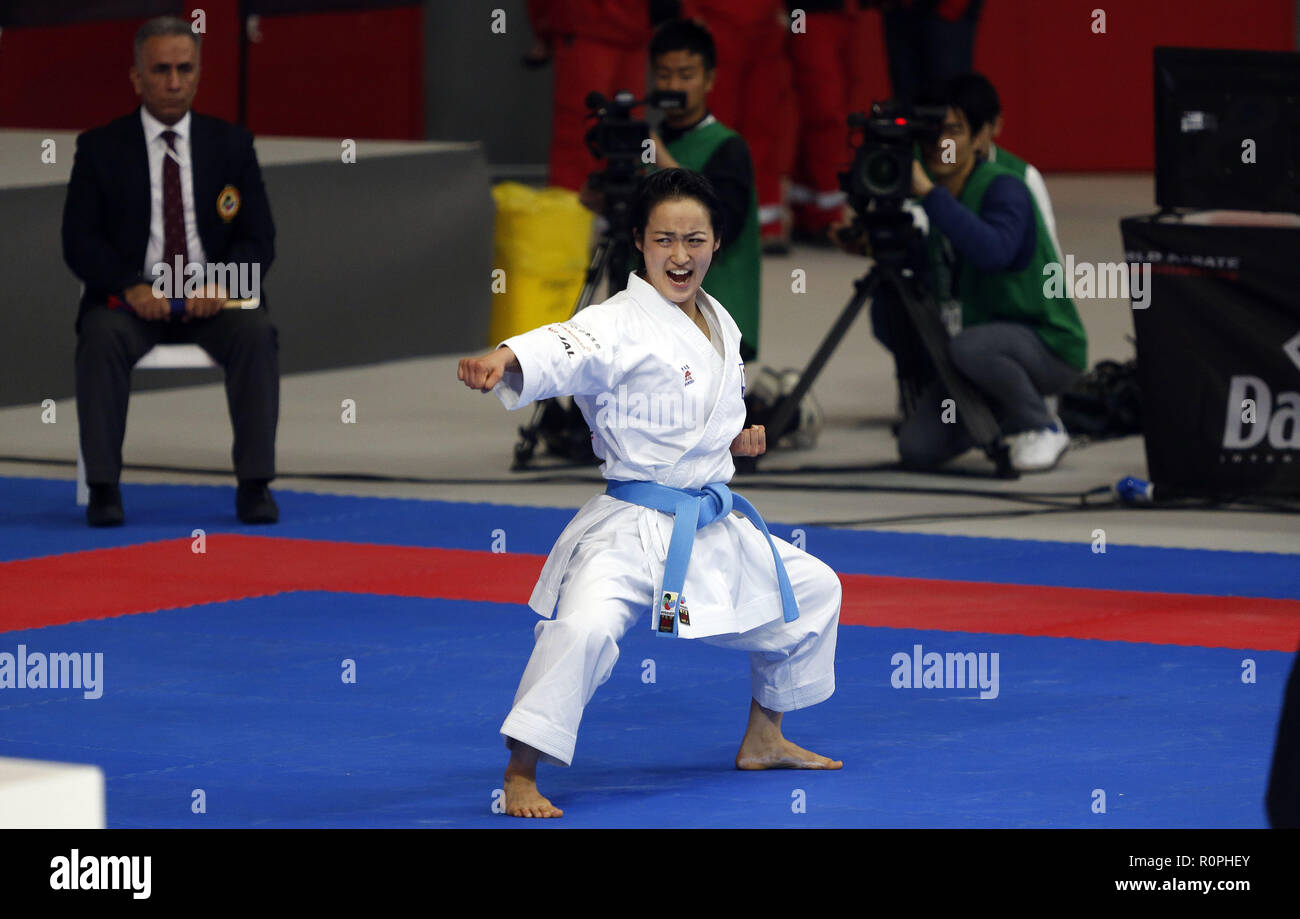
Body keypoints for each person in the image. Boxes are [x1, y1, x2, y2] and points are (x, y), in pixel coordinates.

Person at [458, 169, 842, 818]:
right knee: (581, 629)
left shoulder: (719, 320)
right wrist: (510, 359)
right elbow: (566, 345)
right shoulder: (617, 321)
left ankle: (764, 735)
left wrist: (733, 442)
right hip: (633, 526)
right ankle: (520, 770)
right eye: (664, 239)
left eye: (695, 238)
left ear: (718, 241)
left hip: (709, 522)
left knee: (813, 592)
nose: (680, 254)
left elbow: (701, 417)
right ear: (638, 241)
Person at [63, 16, 279, 526]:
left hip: (212, 296)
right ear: (137, 77)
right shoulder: (99, 149)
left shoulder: (232, 146)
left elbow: (259, 239)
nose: (174, 81)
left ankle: (255, 485)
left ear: (199, 73)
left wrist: (221, 283)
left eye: (185, 69)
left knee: (257, 332)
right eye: (161, 70)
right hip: (132, 298)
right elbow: (79, 241)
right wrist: (129, 285)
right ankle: (103, 489)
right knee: (99, 336)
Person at [840, 76, 1087, 472]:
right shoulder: (944, 195)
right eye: (934, 131)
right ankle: (1006, 408)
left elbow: (992, 252)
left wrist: (930, 197)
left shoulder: (1004, 187)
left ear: (980, 138)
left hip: (1045, 345)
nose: (942, 142)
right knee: (917, 448)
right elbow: (943, 266)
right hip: (975, 348)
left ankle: (1042, 424)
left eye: (954, 130)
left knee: (972, 347)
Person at [644, 18, 762, 362]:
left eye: (686, 75)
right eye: (664, 75)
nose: (673, 85)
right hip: (654, 309)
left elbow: (723, 225)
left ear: (709, 80)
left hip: (712, 311)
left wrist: (660, 157)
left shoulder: (728, 146)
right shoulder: (643, 141)